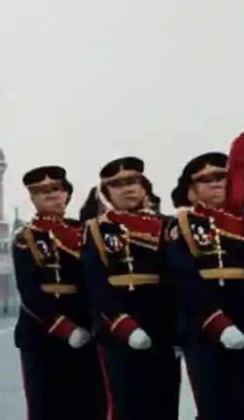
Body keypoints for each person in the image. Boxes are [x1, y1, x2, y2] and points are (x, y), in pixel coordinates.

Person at [164, 152, 244, 420]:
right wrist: (217, 323)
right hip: (203, 327)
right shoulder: (181, 225)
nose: (215, 184)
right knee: (213, 406)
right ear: (190, 192)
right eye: (205, 179)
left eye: (222, 177)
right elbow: (183, 277)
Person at [81, 157, 180, 420]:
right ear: (106, 192)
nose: (128, 189)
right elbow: (95, 282)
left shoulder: (167, 226)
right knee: (126, 405)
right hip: (117, 329)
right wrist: (121, 323)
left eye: (134, 182)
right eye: (118, 185)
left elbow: (178, 279)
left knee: (164, 404)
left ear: (145, 187)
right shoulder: (94, 230)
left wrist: (180, 329)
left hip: (162, 326)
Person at [12, 165, 105, 420]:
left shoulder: (85, 231)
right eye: (42, 192)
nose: (52, 196)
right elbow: (29, 292)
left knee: (91, 404)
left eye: (57, 190)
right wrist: (64, 327)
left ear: (66, 194)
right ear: (32, 199)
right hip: (43, 334)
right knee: (48, 406)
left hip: (87, 328)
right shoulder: (27, 237)